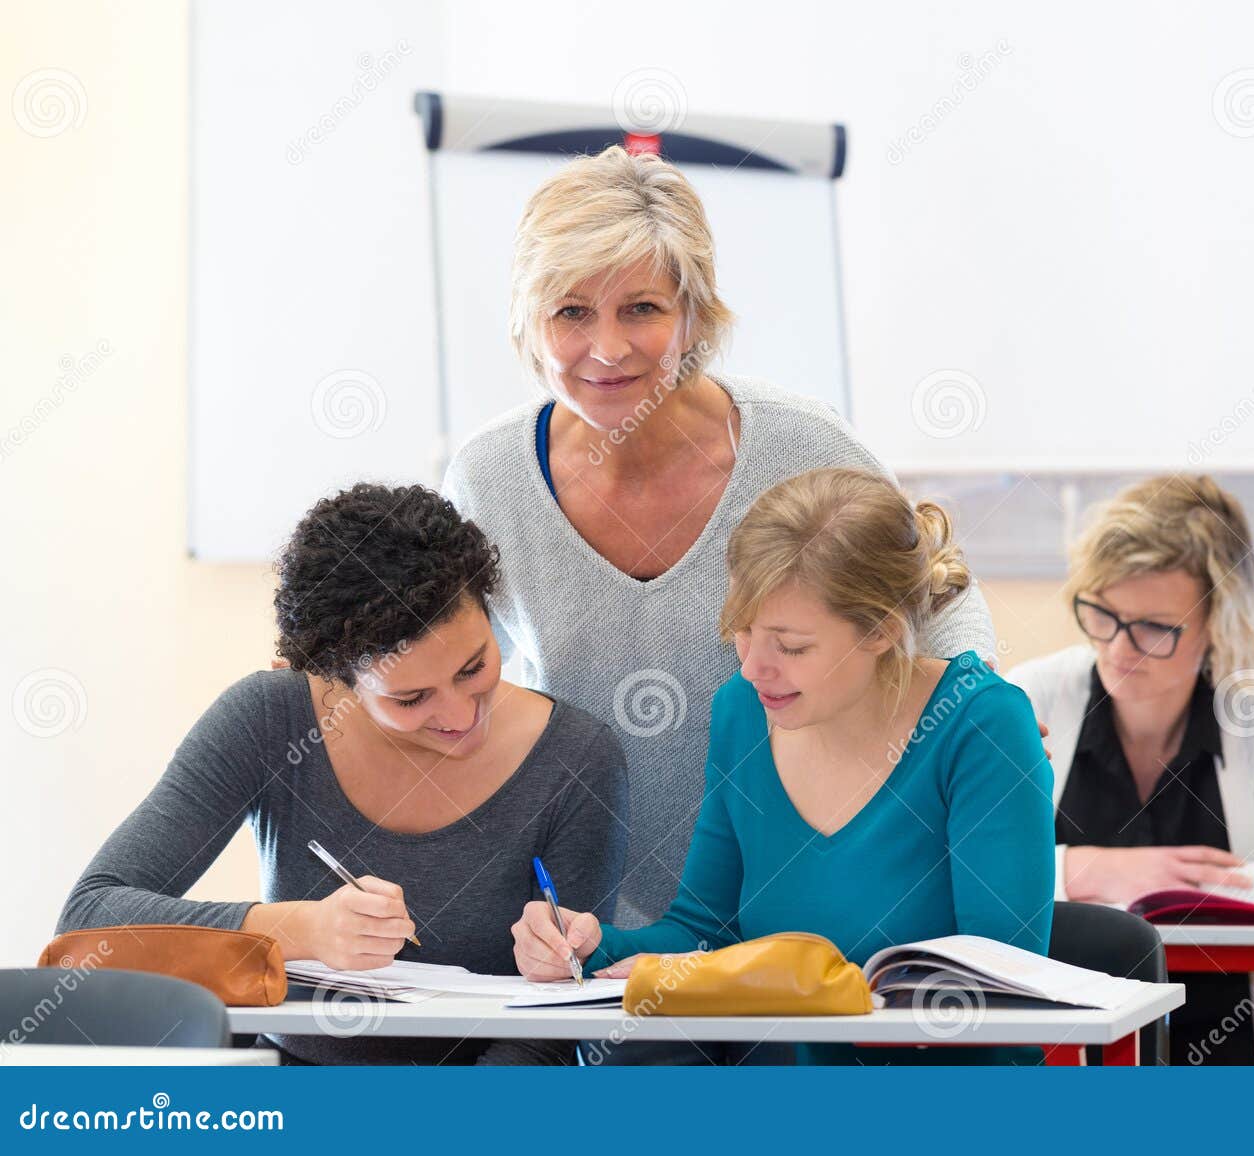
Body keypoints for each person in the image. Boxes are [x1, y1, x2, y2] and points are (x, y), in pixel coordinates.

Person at [441, 145, 996, 953]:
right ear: (530, 324)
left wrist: (974, 708)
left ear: (695, 316)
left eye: (641, 309)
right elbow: (451, 665)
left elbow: (937, 594)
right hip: (592, 924)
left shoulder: (801, 445)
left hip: (806, 901)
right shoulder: (488, 478)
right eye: (570, 313)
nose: (607, 348)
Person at [56, 483, 628, 1064]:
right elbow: (87, 925)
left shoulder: (577, 759)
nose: (459, 715)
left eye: (473, 667)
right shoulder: (269, 718)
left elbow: (554, 1028)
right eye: (411, 698)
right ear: (336, 679)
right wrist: (302, 929)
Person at [508, 468, 1054, 1065]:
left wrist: (729, 976)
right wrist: (587, 945)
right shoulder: (743, 710)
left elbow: (999, 991)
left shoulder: (982, 724)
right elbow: (703, 930)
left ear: (881, 631)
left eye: (791, 647)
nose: (751, 668)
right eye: (742, 632)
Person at [1005, 474, 1254, 1066]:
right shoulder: (1034, 697)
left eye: (1154, 628)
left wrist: (1190, 893)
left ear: (1218, 625)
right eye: (1104, 614)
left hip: (1235, 1066)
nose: (1118, 648)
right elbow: (944, 876)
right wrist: (1086, 869)